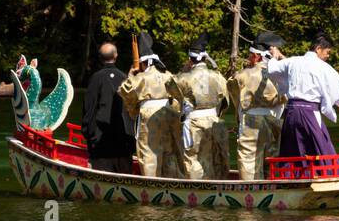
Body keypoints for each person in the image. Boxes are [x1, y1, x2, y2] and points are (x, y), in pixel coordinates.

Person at [118, 32, 185, 178]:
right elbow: (179, 94)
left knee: (148, 152)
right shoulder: (167, 74)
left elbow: (124, 91)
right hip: (170, 113)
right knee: (169, 150)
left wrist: (131, 74)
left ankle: (151, 182)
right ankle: (173, 181)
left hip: (149, 116)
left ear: (142, 63)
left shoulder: (141, 77)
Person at [267, 33, 339, 157]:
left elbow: (272, 70)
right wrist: (330, 101)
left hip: (291, 112)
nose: (328, 56)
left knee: (292, 149)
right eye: (327, 52)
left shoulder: (293, 62)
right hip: (309, 112)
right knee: (322, 148)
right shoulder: (326, 69)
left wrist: (275, 56)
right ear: (318, 49)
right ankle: (324, 174)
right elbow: (337, 96)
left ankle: (290, 175)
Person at [228, 36, 285, 181]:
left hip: (251, 121)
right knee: (271, 157)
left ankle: (250, 191)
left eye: (249, 55)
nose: (248, 59)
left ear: (256, 56)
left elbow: (233, 92)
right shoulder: (279, 75)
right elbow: (286, 96)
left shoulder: (242, 75)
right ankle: (273, 186)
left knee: (249, 159)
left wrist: (239, 117)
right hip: (274, 120)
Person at [176, 34, 230, 180]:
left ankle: (195, 190)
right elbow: (225, 101)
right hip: (214, 120)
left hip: (194, 122)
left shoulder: (183, 78)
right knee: (215, 157)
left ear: (190, 60)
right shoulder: (218, 76)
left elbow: (172, 93)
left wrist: (183, 70)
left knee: (193, 158)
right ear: (205, 58)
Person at [82, 40, 135, 173]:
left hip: (101, 143)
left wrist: (88, 133)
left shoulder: (95, 78)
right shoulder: (125, 79)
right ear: (116, 55)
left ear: (100, 58)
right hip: (123, 142)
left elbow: (89, 109)